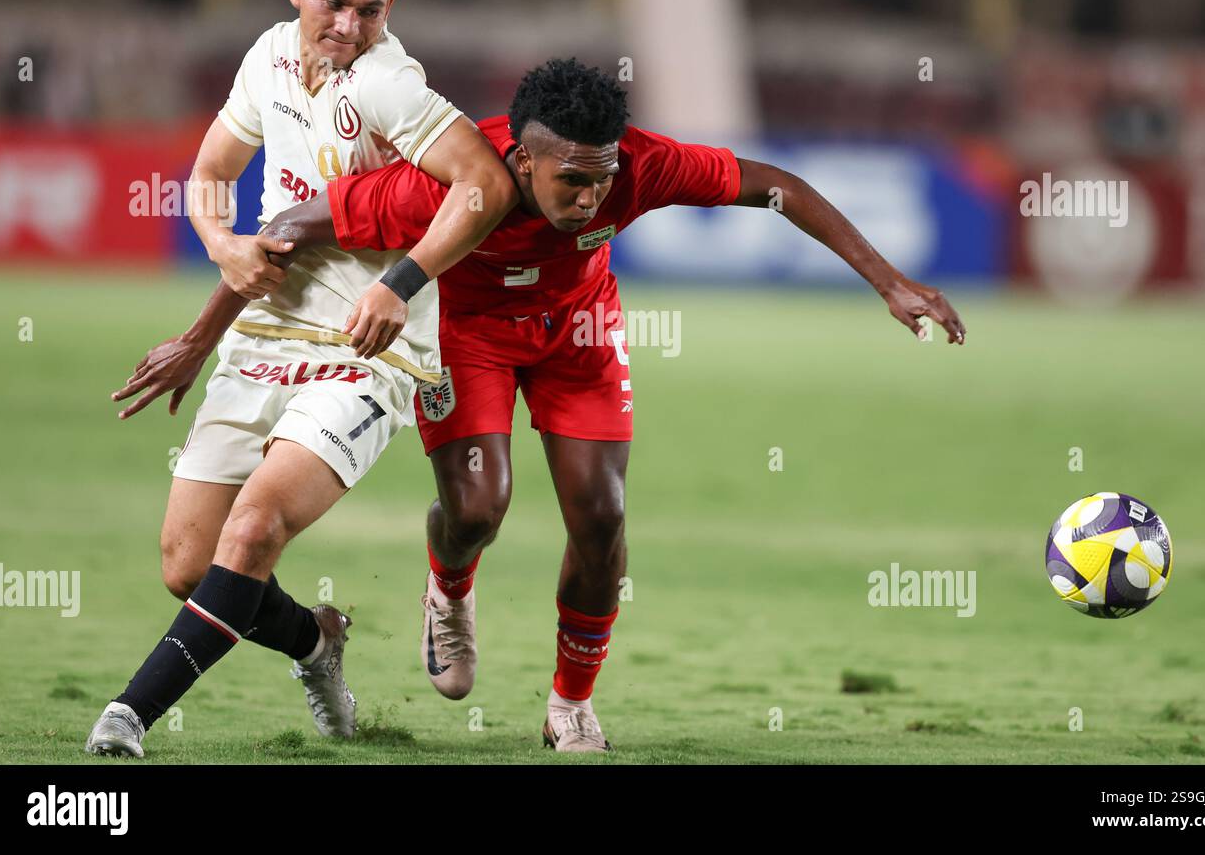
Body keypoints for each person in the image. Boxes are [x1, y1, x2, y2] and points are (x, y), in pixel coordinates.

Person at [129, 57, 967, 753]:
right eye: (573, 180)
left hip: (579, 334)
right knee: (479, 506)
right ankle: (448, 587)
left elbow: (775, 186)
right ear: (521, 163)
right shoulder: (438, 184)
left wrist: (889, 282)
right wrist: (200, 338)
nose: (593, 198)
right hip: (465, 333)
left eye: (603, 179)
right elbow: (285, 227)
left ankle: (570, 702)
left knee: (602, 518)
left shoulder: (634, 163)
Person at [83, 0, 515, 757]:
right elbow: (209, 174)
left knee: (250, 533)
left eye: (372, 9)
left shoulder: (389, 83)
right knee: (188, 564)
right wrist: (223, 247)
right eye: (334, 3)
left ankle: (127, 717)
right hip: (266, 338)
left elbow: (486, 185)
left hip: (364, 354)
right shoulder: (269, 56)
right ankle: (318, 640)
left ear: (391, 8)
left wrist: (402, 282)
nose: (351, 26)